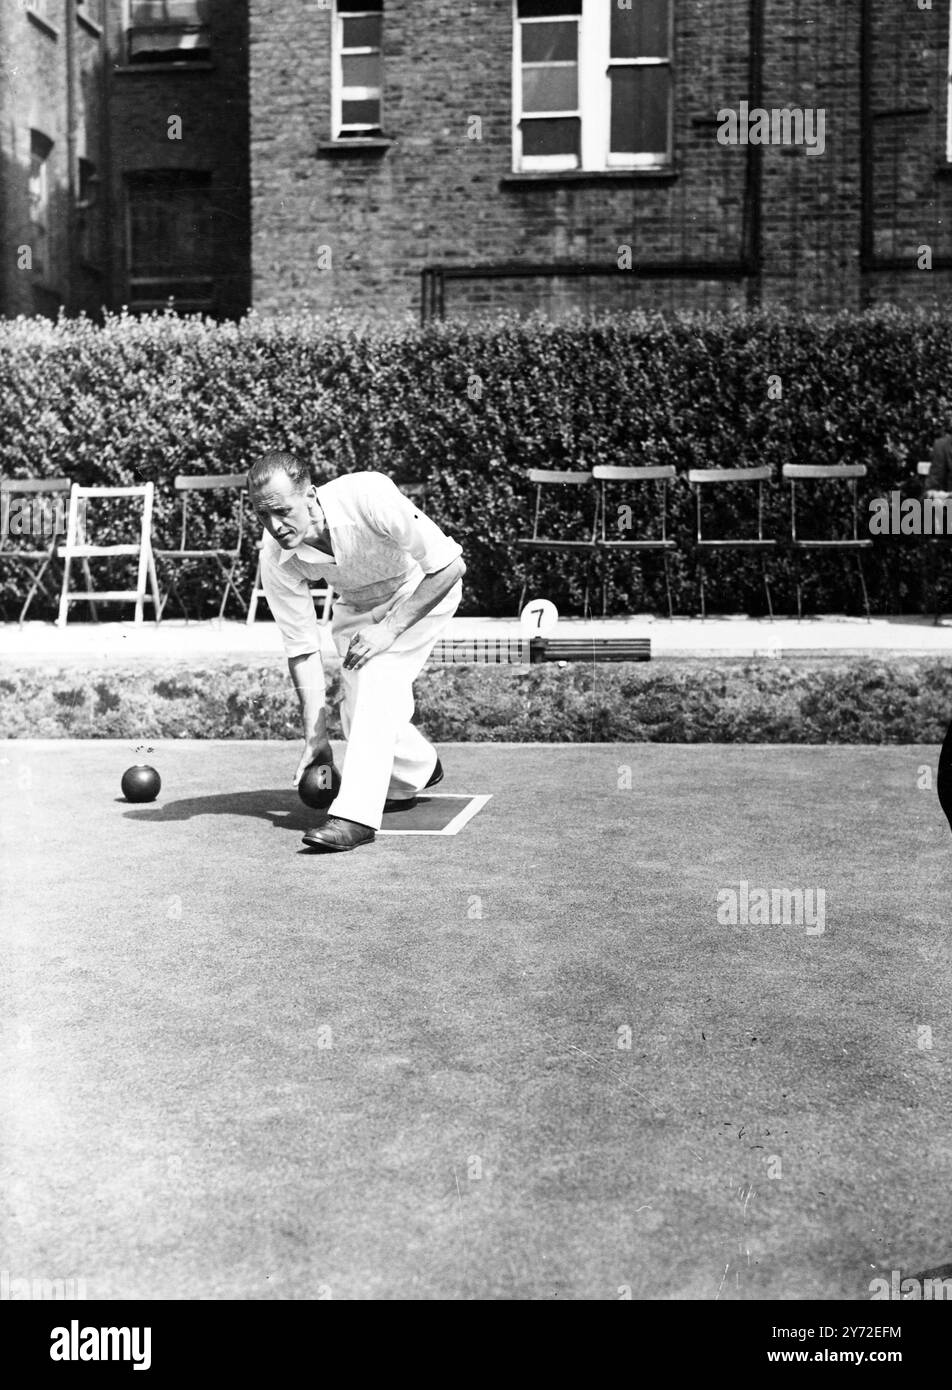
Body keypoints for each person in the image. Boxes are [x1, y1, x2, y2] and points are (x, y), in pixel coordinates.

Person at [248, 451, 466, 853]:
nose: (274, 526)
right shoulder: (275, 557)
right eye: (263, 516)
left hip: (419, 592)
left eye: (282, 511)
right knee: (358, 712)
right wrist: (316, 738)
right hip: (356, 606)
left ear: (310, 496)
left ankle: (355, 817)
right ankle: (419, 764)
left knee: (377, 676)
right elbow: (301, 649)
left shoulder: (367, 496)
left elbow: (450, 565)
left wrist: (389, 630)